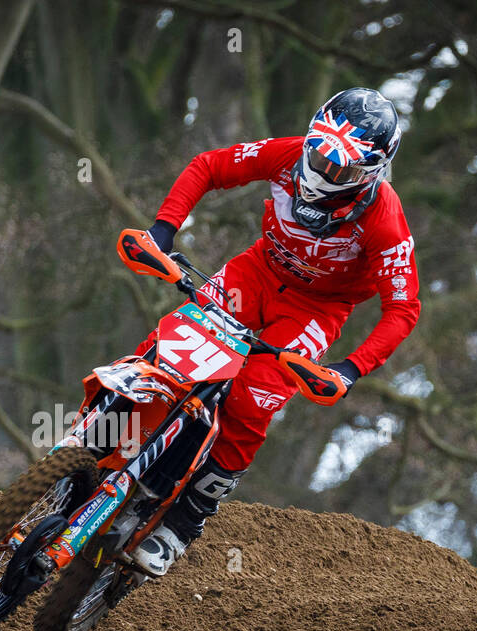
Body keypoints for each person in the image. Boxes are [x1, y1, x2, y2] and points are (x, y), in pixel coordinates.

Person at [132, 87, 422, 575]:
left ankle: (185, 522)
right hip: (258, 272)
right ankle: (101, 440)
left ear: (371, 173)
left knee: (251, 400)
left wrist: (348, 371)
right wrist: (161, 233)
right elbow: (209, 166)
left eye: (341, 168)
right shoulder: (288, 154)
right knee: (166, 349)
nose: (322, 170)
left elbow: (403, 309)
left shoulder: (385, 220)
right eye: (319, 152)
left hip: (316, 308)